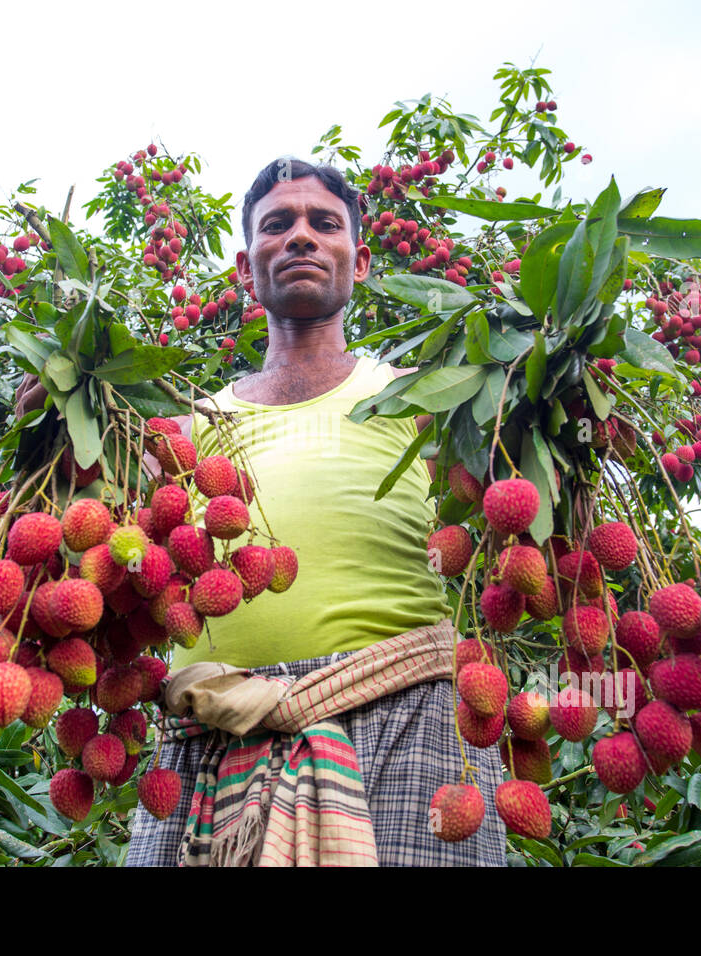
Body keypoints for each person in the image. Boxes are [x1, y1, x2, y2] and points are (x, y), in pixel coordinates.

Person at [118, 158, 510, 866]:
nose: (301, 237)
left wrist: (549, 398)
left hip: (400, 720)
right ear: (245, 268)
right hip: (211, 733)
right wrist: (58, 440)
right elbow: (115, 555)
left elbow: (513, 510)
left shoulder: (424, 398)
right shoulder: (187, 426)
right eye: (278, 224)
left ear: (358, 262)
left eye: (323, 224)